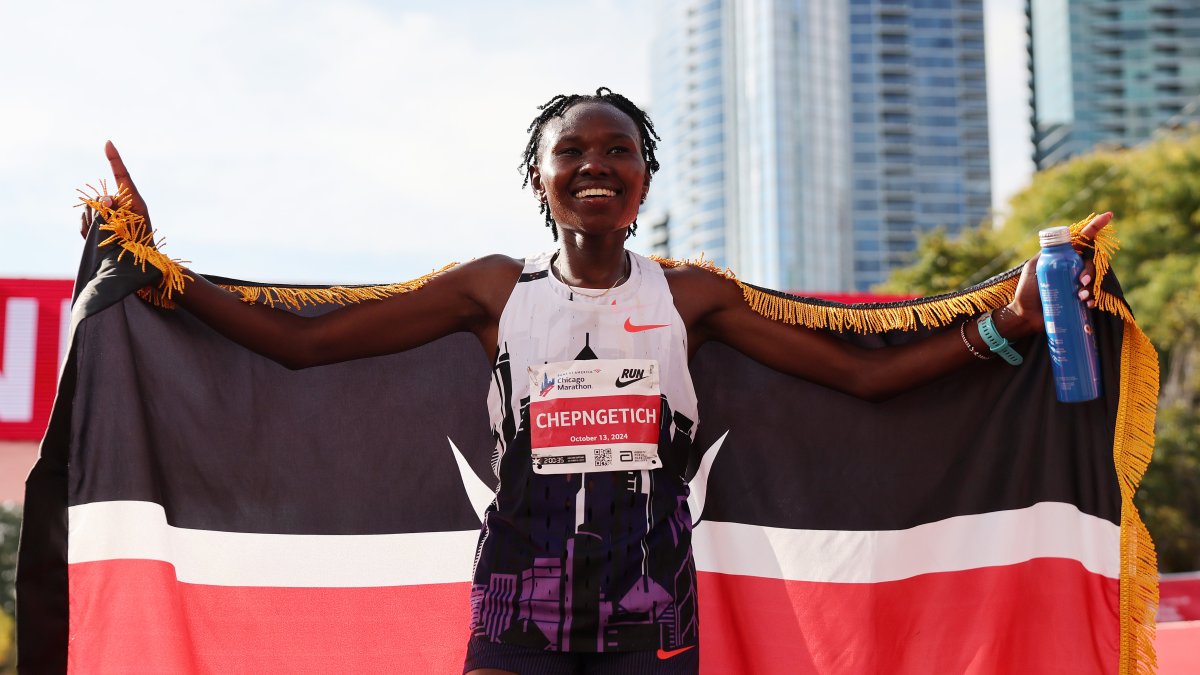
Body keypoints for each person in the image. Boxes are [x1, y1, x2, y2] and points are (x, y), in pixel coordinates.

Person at [84, 87, 1108, 675]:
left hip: (649, 609)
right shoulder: (492, 289)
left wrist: (1004, 324)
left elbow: (858, 375)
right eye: (569, 150)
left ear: (645, 180)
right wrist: (164, 275)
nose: (595, 164)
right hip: (516, 610)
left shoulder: (693, 296)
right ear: (539, 177)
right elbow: (308, 345)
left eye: (617, 150)